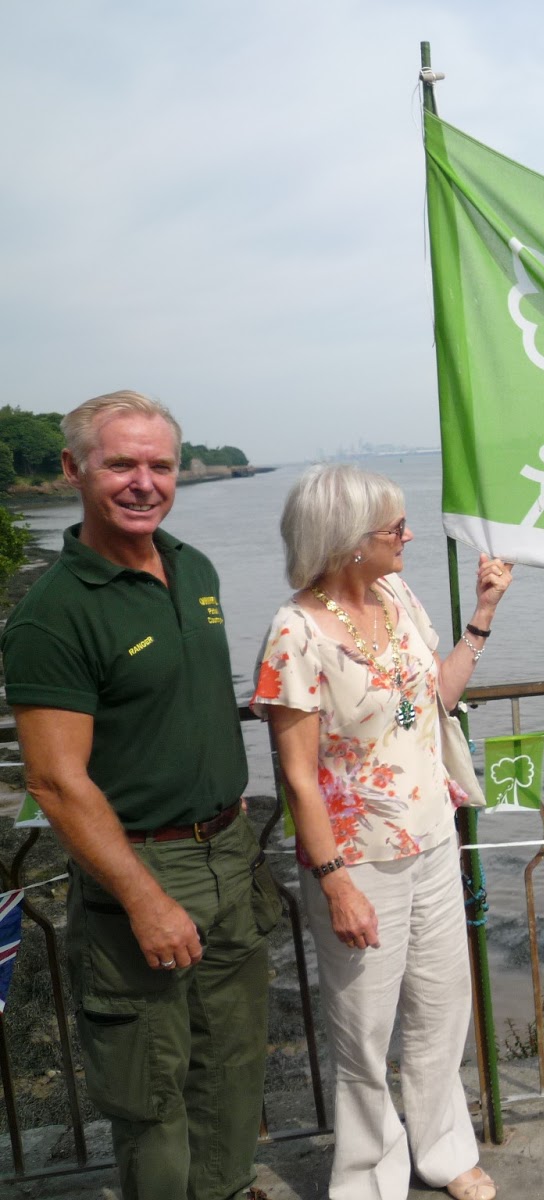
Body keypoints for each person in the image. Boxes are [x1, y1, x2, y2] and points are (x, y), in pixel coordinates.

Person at [2, 390, 278, 1200]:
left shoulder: (193, 566)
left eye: (160, 464)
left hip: (232, 851)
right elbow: (55, 779)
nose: (144, 482)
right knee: (152, 1094)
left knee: (231, 1068)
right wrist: (144, 899)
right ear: (74, 469)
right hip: (146, 869)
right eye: (121, 462)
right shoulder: (55, 615)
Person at [252, 463, 508, 1200]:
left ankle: (442, 1149)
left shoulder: (395, 596)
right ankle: (369, 1176)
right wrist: (334, 883)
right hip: (356, 858)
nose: (409, 536)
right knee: (363, 1028)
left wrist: (484, 614)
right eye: (394, 528)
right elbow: (297, 774)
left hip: (432, 835)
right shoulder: (295, 632)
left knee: (439, 1005)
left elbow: (436, 699)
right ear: (344, 539)